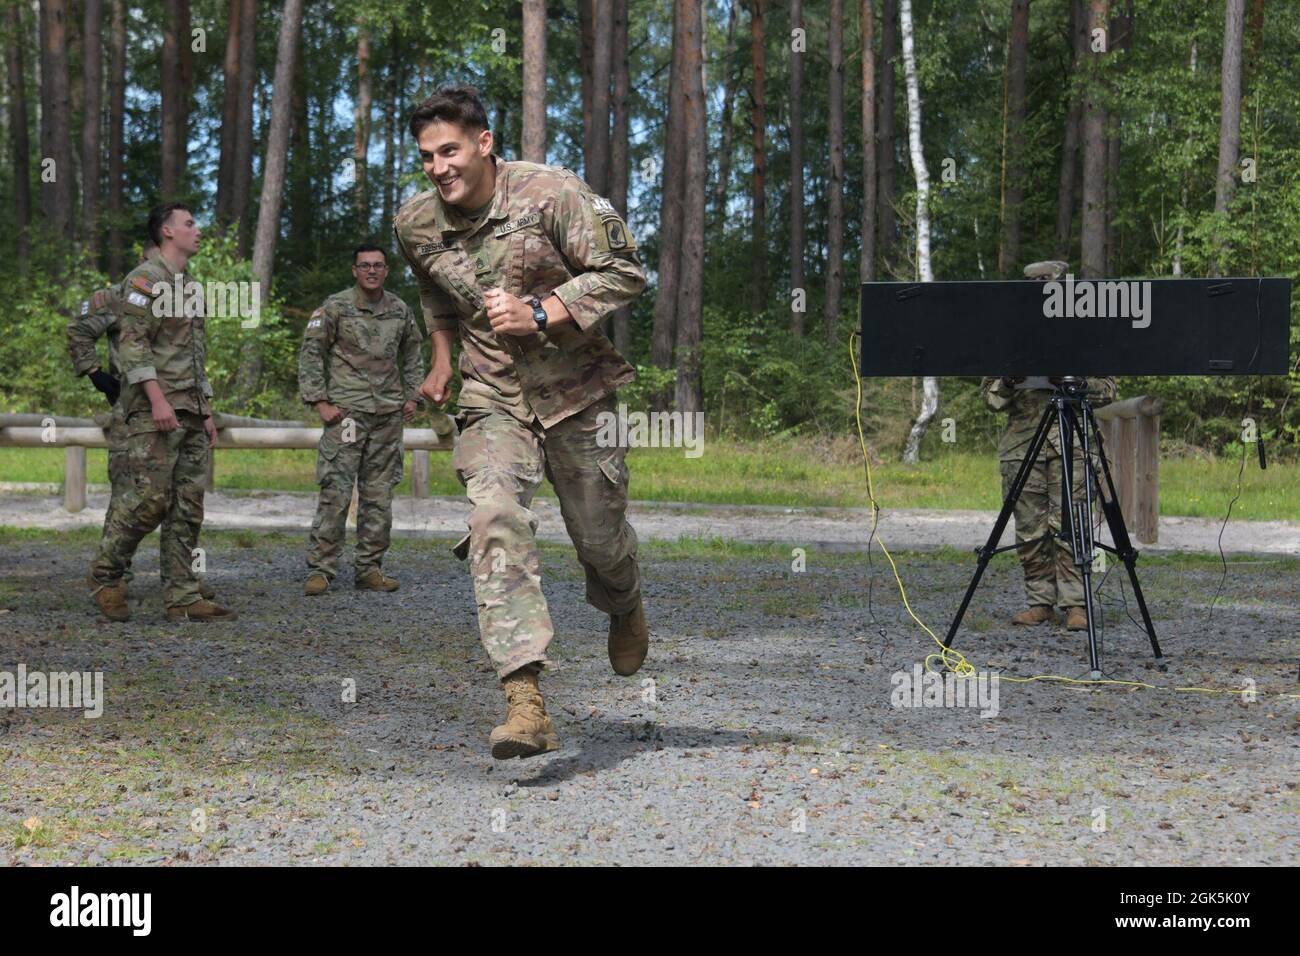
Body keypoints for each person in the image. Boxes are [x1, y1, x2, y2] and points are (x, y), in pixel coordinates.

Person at [393, 84, 648, 760]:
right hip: (491, 396)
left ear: (483, 143)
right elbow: (433, 290)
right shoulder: (416, 223)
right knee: (493, 518)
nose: (438, 166)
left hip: (577, 393)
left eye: (449, 150)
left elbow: (625, 271)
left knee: (599, 539)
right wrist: (442, 360)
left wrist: (542, 312)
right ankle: (524, 697)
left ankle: (623, 601)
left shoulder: (554, 193)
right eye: (426, 156)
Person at [87, 203, 234, 623]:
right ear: (167, 232)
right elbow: (134, 344)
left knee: (188, 506)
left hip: (190, 408)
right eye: (189, 223)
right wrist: (156, 399)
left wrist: (205, 409)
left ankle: (182, 595)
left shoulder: (190, 286)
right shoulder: (144, 279)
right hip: (155, 410)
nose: (197, 230)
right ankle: (106, 572)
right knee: (150, 500)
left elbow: (194, 354)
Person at [67, 241, 215, 602]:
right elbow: (78, 329)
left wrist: (205, 406)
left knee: (181, 500)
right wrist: (96, 374)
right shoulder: (119, 295)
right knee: (133, 493)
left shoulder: (185, 292)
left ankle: (180, 584)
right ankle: (116, 576)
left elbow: (193, 355)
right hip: (132, 409)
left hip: (179, 405)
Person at [981, 260, 1116, 632]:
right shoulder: (1008, 334)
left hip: (1070, 442)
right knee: (1029, 528)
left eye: (1048, 282)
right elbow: (990, 400)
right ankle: (1040, 601)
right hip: (1022, 447)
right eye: (1034, 283)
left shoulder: (1084, 330)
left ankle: (1076, 604)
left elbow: (1109, 389)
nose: (1041, 287)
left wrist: (1074, 382)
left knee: (1072, 525)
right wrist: (1008, 382)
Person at [298, 243, 424, 594]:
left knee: (379, 495)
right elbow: (311, 353)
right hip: (347, 415)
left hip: (387, 415)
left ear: (386, 271)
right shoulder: (335, 306)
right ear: (354, 271)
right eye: (364, 265)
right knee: (335, 491)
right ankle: (321, 569)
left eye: (378, 265)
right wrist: (320, 401)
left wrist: (414, 396)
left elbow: (413, 353)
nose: (371, 271)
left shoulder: (399, 310)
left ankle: (369, 568)